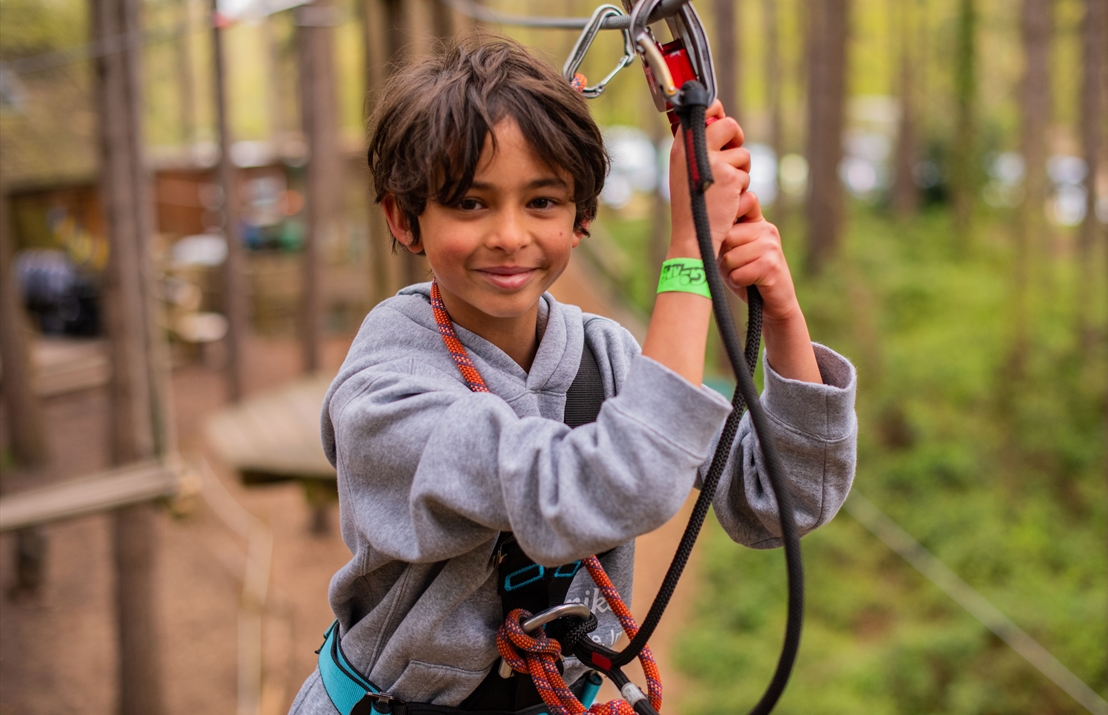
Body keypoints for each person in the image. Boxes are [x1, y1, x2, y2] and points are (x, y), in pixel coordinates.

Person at [289, 37, 857, 715]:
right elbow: (607, 483)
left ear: (583, 215)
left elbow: (783, 498)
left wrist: (784, 314)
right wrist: (688, 258)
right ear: (404, 217)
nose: (508, 233)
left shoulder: (602, 358)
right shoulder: (385, 395)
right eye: (470, 202)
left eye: (542, 201)